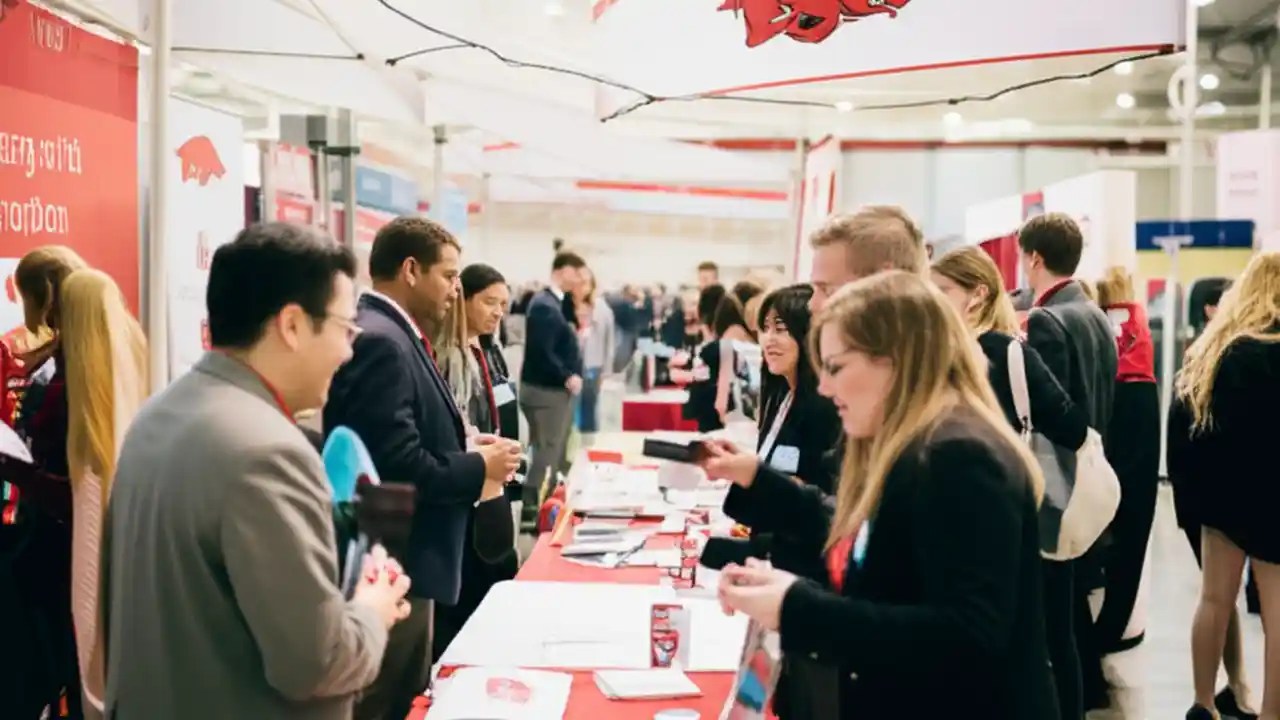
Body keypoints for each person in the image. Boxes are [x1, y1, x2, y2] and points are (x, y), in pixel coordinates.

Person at [704, 272, 1060, 720]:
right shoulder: (916, 445)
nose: (824, 387)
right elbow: (873, 560)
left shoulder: (957, 457)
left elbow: (966, 637)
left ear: (894, 361)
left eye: (835, 367)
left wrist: (797, 608)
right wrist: (786, 586)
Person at [101, 223, 410, 719]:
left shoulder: (158, 415)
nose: (349, 351)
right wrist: (373, 608)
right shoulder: (268, 453)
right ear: (291, 325)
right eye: (345, 329)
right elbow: (315, 663)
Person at [323, 217, 519, 720]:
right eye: (450, 276)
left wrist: (464, 440)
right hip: (398, 561)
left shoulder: (396, 334)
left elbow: (405, 437)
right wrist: (478, 466)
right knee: (391, 700)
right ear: (411, 270)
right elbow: (396, 466)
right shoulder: (383, 341)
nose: (457, 290)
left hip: (407, 563)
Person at [1017, 212, 1119, 719]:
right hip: (1089, 479)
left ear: (1034, 258)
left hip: (1057, 488)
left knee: (1055, 628)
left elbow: (1050, 417)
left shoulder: (1046, 319)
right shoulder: (1096, 313)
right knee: (1070, 620)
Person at [1177, 252, 1280, 720]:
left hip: (1220, 498)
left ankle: (1203, 702)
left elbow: (1197, 430)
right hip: (1271, 496)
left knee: (1214, 599)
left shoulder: (1218, 349)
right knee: (1277, 612)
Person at [0, 246, 88, 720]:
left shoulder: (73, 369)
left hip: (58, 538)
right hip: (49, 529)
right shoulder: (58, 359)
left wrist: (20, 473)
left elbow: (78, 483)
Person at [431, 263, 519, 657]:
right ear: (462, 300)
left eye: (503, 304)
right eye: (488, 302)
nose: (497, 311)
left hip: (492, 478)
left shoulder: (485, 349)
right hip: (469, 485)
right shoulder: (446, 356)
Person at [1092, 267, 1161, 665]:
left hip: (1107, 420)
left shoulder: (1097, 326)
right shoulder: (1140, 332)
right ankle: (1114, 627)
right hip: (1140, 413)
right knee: (1134, 532)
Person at [519, 251, 587, 509]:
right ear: (560, 271)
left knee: (552, 448)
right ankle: (534, 504)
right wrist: (566, 375)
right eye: (575, 271)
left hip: (551, 390)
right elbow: (542, 351)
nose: (579, 278)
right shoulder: (545, 306)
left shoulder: (556, 303)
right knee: (547, 449)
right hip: (546, 391)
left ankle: (541, 500)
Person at [572, 267, 615, 445]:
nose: (582, 287)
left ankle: (587, 444)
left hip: (592, 365)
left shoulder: (602, 309)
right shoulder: (565, 307)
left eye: (585, 283)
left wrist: (606, 370)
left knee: (589, 407)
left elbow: (609, 340)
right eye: (578, 282)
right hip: (570, 367)